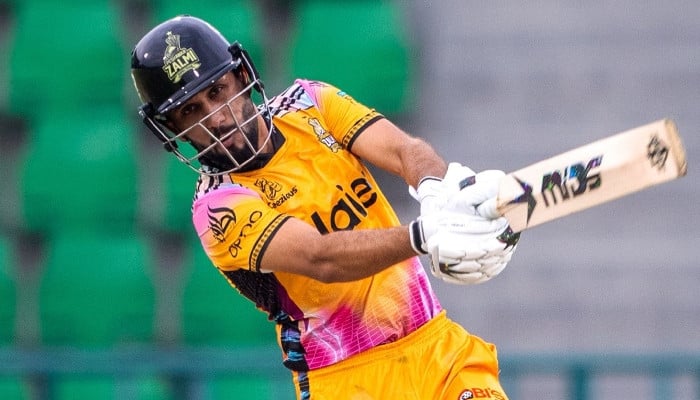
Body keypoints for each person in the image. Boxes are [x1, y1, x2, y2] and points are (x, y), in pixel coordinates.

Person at [130, 15, 519, 400]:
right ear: (171, 128)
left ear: (243, 75)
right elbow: (321, 258)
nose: (215, 118)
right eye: (191, 111)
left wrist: (438, 192)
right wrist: (426, 234)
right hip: (346, 380)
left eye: (217, 91)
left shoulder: (309, 103)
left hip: (437, 348)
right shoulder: (216, 208)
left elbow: (405, 151)